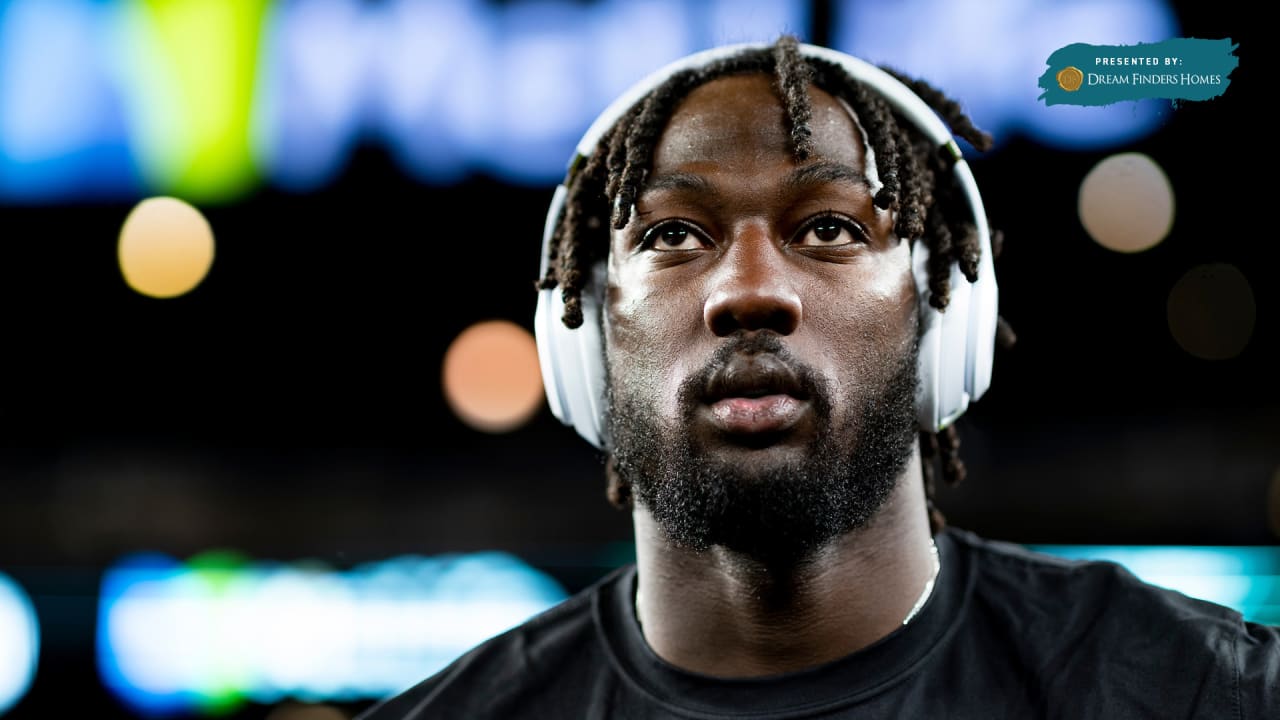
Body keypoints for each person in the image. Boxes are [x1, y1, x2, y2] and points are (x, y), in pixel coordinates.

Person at [358, 37, 1278, 719]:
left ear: (942, 314)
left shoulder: (1210, 695)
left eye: (830, 228)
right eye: (673, 234)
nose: (749, 291)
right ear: (586, 333)